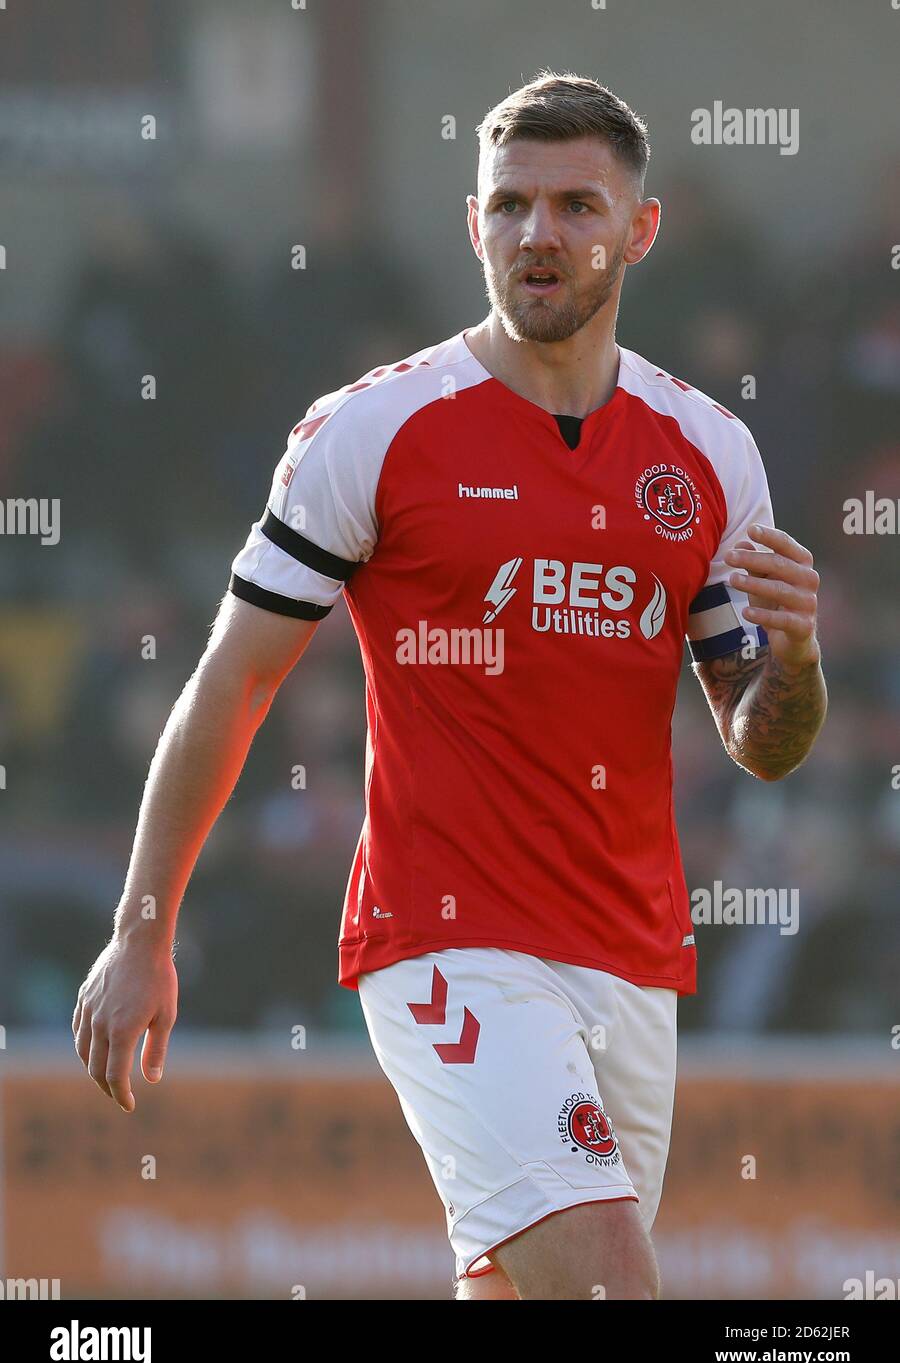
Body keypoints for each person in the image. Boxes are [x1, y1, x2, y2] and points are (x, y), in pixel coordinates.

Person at [73, 71, 827, 1300]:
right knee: (606, 1287)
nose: (543, 234)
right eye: (512, 205)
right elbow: (233, 678)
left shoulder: (708, 451)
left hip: (633, 951)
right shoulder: (372, 432)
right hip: (447, 942)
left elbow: (763, 738)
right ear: (471, 222)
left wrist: (791, 664)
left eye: (580, 205)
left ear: (640, 230)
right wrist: (141, 927)